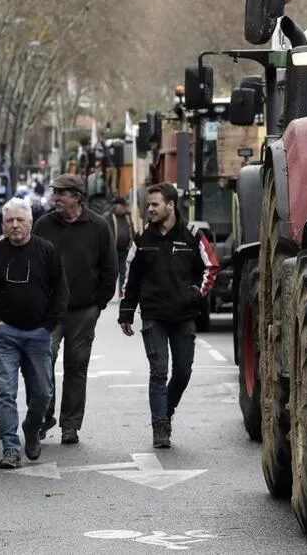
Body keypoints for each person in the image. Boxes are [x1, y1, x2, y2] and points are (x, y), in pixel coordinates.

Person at [119, 182, 220, 448]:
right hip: (153, 315)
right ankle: (160, 426)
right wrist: (126, 311)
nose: (150, 209)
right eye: (149, 204)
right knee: (158, 371)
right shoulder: (142, 239)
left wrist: (195, 294)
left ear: (170, 206)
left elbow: (211, 266)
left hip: (183, 315)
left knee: (183, 371)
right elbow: (131, 276)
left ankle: (167, 409)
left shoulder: (192, 234)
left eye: (155, 204)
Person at [0, 198, 68, 469]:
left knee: (42, 393)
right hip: (6, 335)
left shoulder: (47, 251)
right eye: (9, 221)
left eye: (20, 220)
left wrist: (49, 325)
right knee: (4, 391)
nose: (15, 225)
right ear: (3, 223)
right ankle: (11, 449)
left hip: (40, 334)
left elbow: (61, 292)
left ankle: (31, 427)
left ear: (30, 222)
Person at [33, 173, 117, 445]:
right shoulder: (44, 225)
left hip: (83, 310)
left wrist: (98, 304)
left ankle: (70, 425)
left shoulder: (99, 226)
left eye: (61, 193)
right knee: (44, 362)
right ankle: (45, 417)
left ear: (77, 197)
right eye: (54, 193)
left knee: (76, 367)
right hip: (49, 311)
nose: (55, 198)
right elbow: (31, 262)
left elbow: (110, 268)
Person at [104, 195, 134, 298]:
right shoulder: (109, 217)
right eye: (122, 206)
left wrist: (132, 241)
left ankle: (122, 293)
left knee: (124, 271)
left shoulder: (127, 217)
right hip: (113, 250)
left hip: (125, 249)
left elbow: (132, 230)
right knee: (113, 272)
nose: (123, 208)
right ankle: (108, 292)